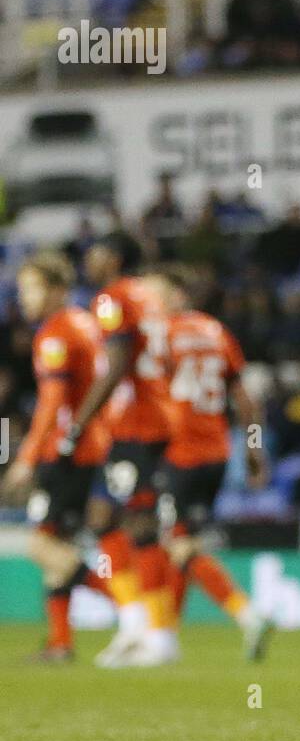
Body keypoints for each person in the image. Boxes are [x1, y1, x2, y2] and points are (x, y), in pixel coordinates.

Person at [61, 235, 178, 667]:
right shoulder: (148, 296)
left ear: (112, 258)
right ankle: (135, 626)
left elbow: (117, 364)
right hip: (152, 418)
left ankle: (157, 636)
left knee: (138, 524)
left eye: (94, 252)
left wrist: (79, 422)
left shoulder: (112, 297)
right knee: (106, 517)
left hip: (137, 423)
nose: (88, 260)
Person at [149, 264, 272, 659]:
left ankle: (245, 612)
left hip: (178, 451)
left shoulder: (162, 334)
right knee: (183, 541)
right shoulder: (217, 332)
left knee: (177, 544)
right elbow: (245, 398)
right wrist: (254, 450)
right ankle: (165, 638)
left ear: (177, 296)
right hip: (217, 452)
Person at [1, 253, 115, 661]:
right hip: (90, 445)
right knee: (57, 544)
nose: (23, 297)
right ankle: (61, 643)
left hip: (66, 451)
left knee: (40, 547)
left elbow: (51, 403)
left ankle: (129, 608)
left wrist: (28, 457)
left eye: (30, 288)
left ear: (55, 289)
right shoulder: (86, 323)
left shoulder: (55, 333)